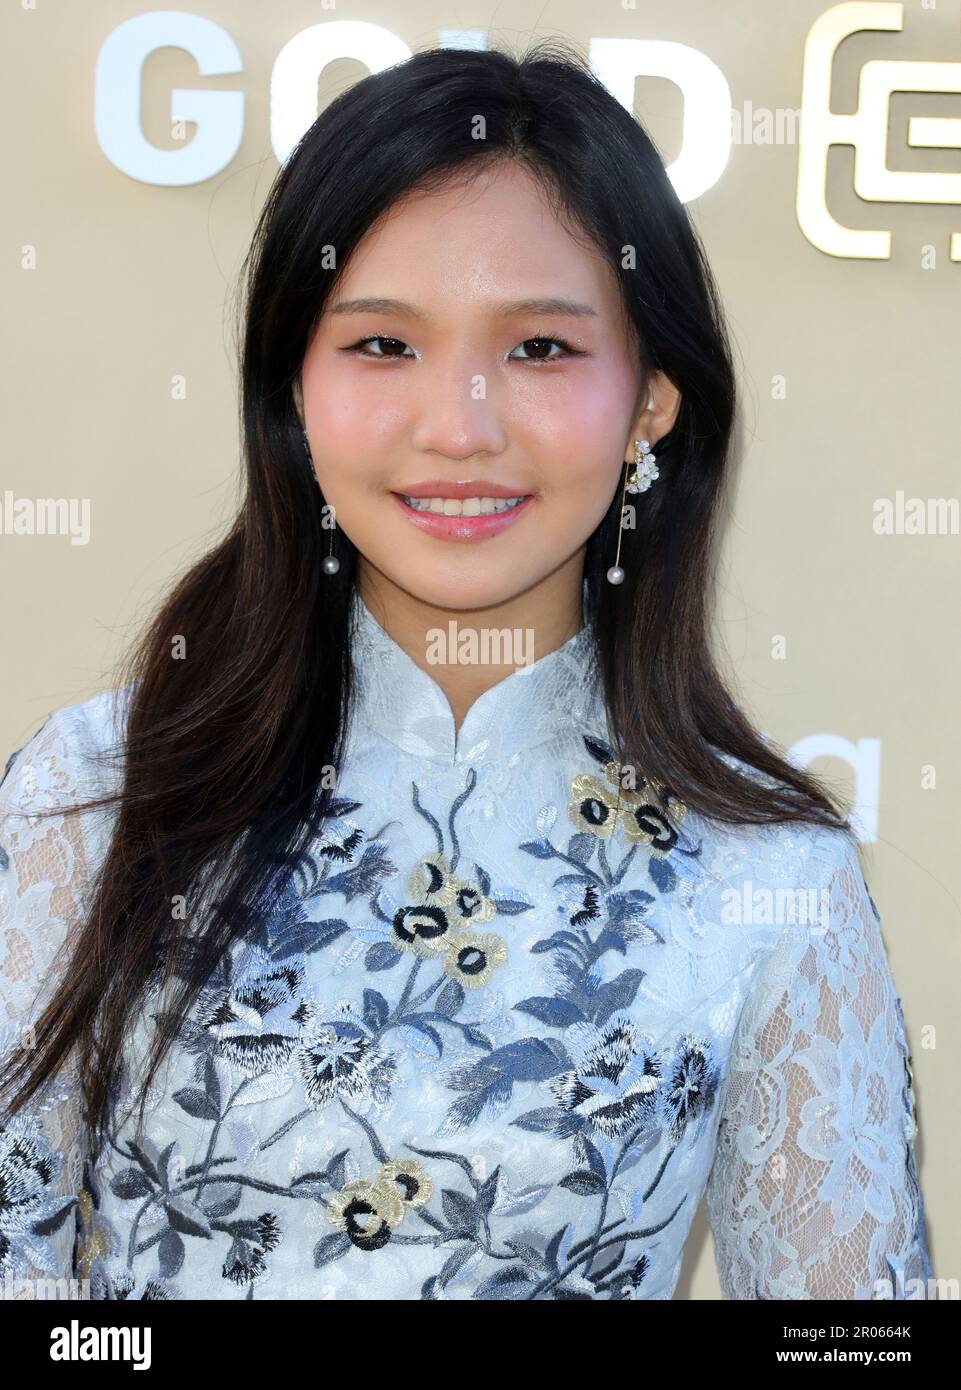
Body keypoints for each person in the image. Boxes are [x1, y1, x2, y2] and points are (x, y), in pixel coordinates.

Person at [0, 40, 932, 1301]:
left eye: (542, 349)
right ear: (294, 386)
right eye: (383, 345)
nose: (460, 424)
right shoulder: (93, 794)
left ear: (650, 400)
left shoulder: (772, 874)